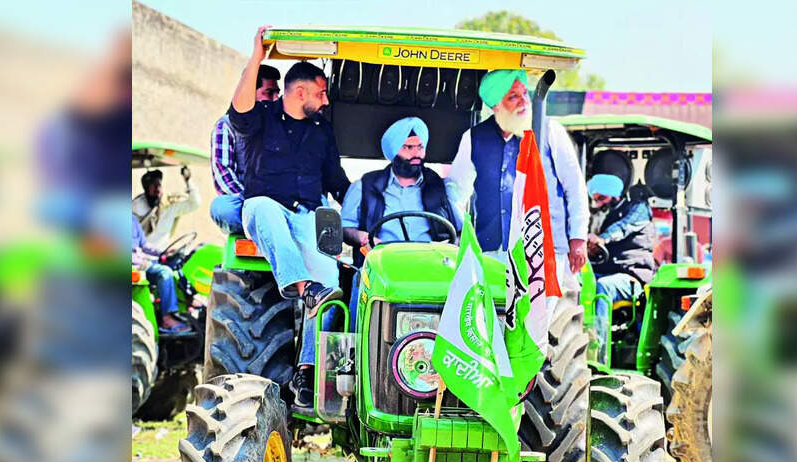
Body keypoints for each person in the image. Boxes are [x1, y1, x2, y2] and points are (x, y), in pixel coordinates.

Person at [225, 25, 352, 409]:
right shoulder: (261, 116)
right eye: (321, 92)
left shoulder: (321, 131)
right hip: (267, 212)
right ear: (300, 92)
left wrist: (364, 221)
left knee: (329, 281)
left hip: (307, 217)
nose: (326, 100)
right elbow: (237, 110)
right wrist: (256, 55)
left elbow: (337, 182)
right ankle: (300, 287)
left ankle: (308, 371)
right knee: (262, 206)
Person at [447, 69, 588, 296]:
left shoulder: (550, 131)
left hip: (546, 251)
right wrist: (461, 235)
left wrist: (578, 238)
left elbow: (575, 187)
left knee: (537, 327)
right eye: (513, 97)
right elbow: (455, 191)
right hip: (493, 253)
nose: (524, 102)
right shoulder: (474, 138)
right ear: (496, 106)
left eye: (525, 93)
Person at [341, 117, 461, 326]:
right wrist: (364, 238)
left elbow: (459, 232)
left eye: (420, 147)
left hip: (431, 264)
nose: (416, 154)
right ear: (394, 150)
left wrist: (452, 247)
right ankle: (355, 343)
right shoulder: (365, 185)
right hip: (382, 263)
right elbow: (345, 228)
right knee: (359, 279)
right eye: (408, 147)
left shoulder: (441, 188)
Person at [209, 64, 281, 232]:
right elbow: (223, 175)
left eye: (278, 93)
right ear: (249, 91)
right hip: (245, 202)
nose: (276, 99)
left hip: (281, 203)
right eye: (269, 93)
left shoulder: (281, 125)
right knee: (221, 208)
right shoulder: (226, 125)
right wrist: (255, 202)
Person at [586, 174, 657, 303]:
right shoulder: (605, 218)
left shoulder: (639, 209)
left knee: (603, 286)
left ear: (615, 194)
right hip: (608, 272)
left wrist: (603, 239)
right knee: (579, 282)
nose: (599, 203)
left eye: (602, 198)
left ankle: (598, 323)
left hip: (633, 275)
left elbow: (623, 227)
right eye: (596, 200)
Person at [132, 214, 189, 335]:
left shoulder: (132, 219)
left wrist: (163, 252)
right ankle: (167, 320)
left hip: (143, 264)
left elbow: (144, 245)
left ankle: (184, 310)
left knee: (172, 272)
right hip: (133, 267)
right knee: (164, 272)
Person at [132, 166, 200, 249]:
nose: (157, 189)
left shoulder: (169, 208)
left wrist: (188, 180)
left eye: (159, 185)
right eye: (153, 185)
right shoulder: (136, 206)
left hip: (160, 256)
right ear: (146, 189)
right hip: (139, 255)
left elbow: (195, 204)